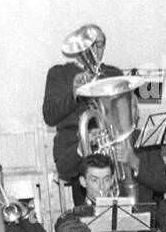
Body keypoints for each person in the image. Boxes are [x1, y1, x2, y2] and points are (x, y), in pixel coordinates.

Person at [41, 24, 124, 204]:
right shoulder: (58, 74)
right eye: (90, 44)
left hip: (110, 149)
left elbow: (125, 114)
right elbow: (49, 115)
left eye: (99, 44)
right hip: (76, 150)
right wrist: (73, 94)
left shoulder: (114, 73)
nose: (94, 49)